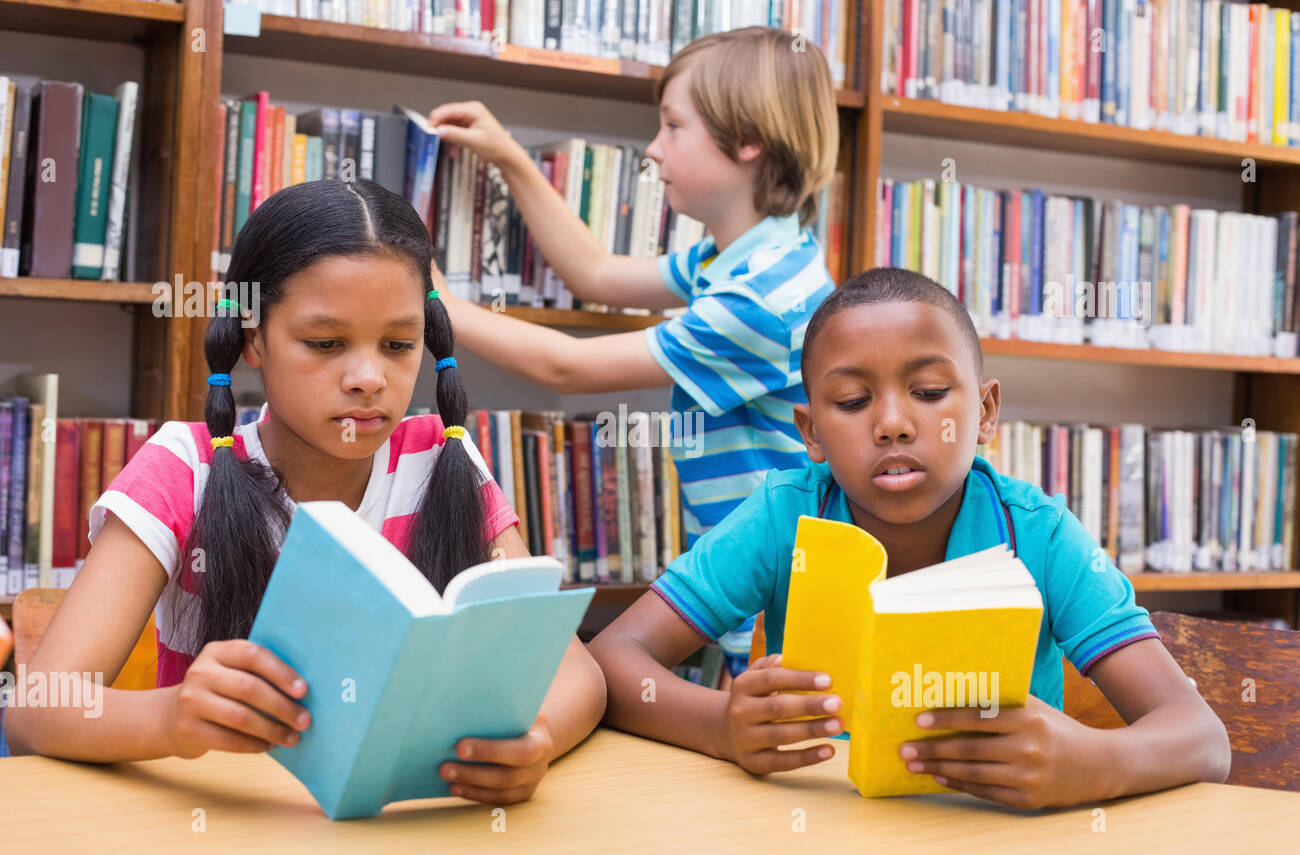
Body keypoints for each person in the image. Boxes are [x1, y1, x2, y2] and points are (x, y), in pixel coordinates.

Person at [4, 179, 606, 806]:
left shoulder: (441, 457)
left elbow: (578, 673)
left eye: (399, 346)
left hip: (414, 829)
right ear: (254, 339)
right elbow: (33, 712)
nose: (369, 379)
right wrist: (170, 717)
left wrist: (535, 738)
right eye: (325, 344)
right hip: (226, 828)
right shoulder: (184, 469)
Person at [587, 267, 1231, 810]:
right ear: (810, 432)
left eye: (927, 392)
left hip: (991, 837)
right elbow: (615, 658)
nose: (893, 424)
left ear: (983, 412)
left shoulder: (1041, 534)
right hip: (819, 832)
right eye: (851, 401)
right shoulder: (784, 517)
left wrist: (1093, 763)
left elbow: (1202, 739)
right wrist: (719, 724)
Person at [426, 26, 840, 668]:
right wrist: (509, 156)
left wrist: (435, 303)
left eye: (674, 126)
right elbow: (595, 273)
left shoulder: (761, 300)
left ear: (749, 139)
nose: (653, 148)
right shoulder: (734, 257)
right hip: (743, 579)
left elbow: (565, 367)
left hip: (771, 598)